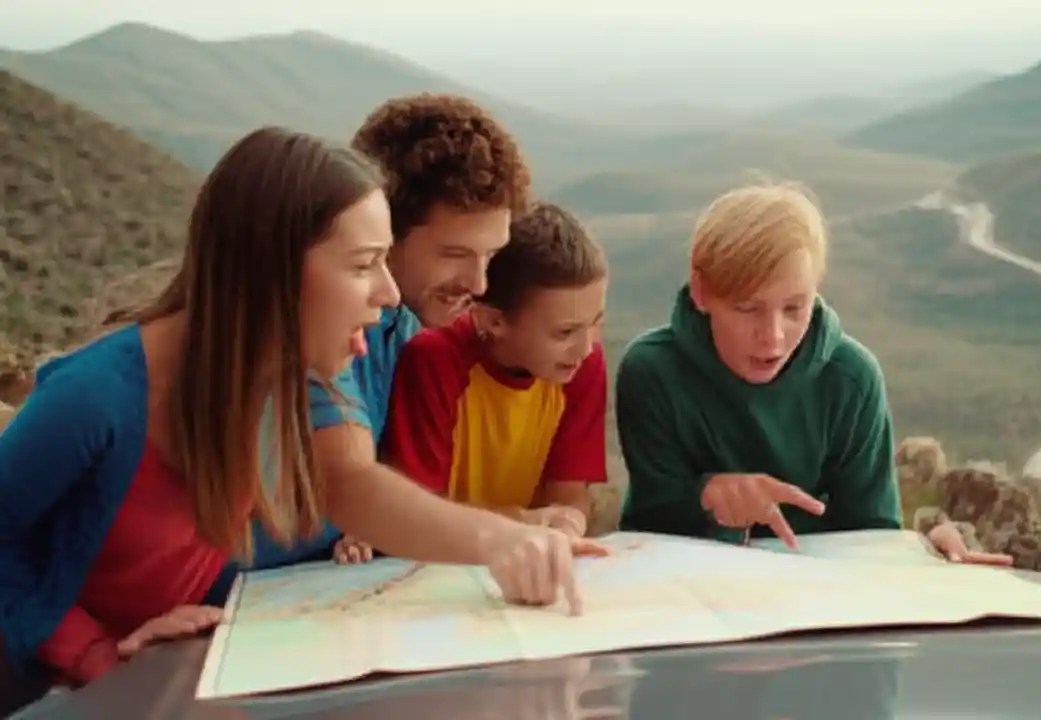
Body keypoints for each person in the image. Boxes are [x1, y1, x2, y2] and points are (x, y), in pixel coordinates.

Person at [0, 127, 595, 701]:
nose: (389, 294)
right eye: (363, 265)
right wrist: (94, 651)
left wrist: (504, 540)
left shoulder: (287, 372)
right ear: (273, 271)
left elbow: (351, 489)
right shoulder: (96, 397)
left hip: (156, 676)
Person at [615, 182, 1012, 564]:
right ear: (701, 292)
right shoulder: (652, 373)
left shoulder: (851, 380)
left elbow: (873, 535)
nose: (772, 336)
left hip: (815, 594)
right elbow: (649, 529)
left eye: (794, 308)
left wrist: (923, 552)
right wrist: (708, 498)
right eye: (748, 308)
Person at [245, 93, 534, 568]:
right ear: (384, 229)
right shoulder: (319, 320)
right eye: (455, 254)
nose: (479, 283)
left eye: (491, 256)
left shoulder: (407, 333)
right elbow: (349, 480)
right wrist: (502, 539)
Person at [379, 202, 609, 539]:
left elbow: (569, 494)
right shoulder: (435, 359)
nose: (585, 347)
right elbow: (417, 511)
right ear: (493, 321)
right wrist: (523, 522)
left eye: (596, 323)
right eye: (565, 332)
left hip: (522, 549)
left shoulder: (581, 366)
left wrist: (570, 523)